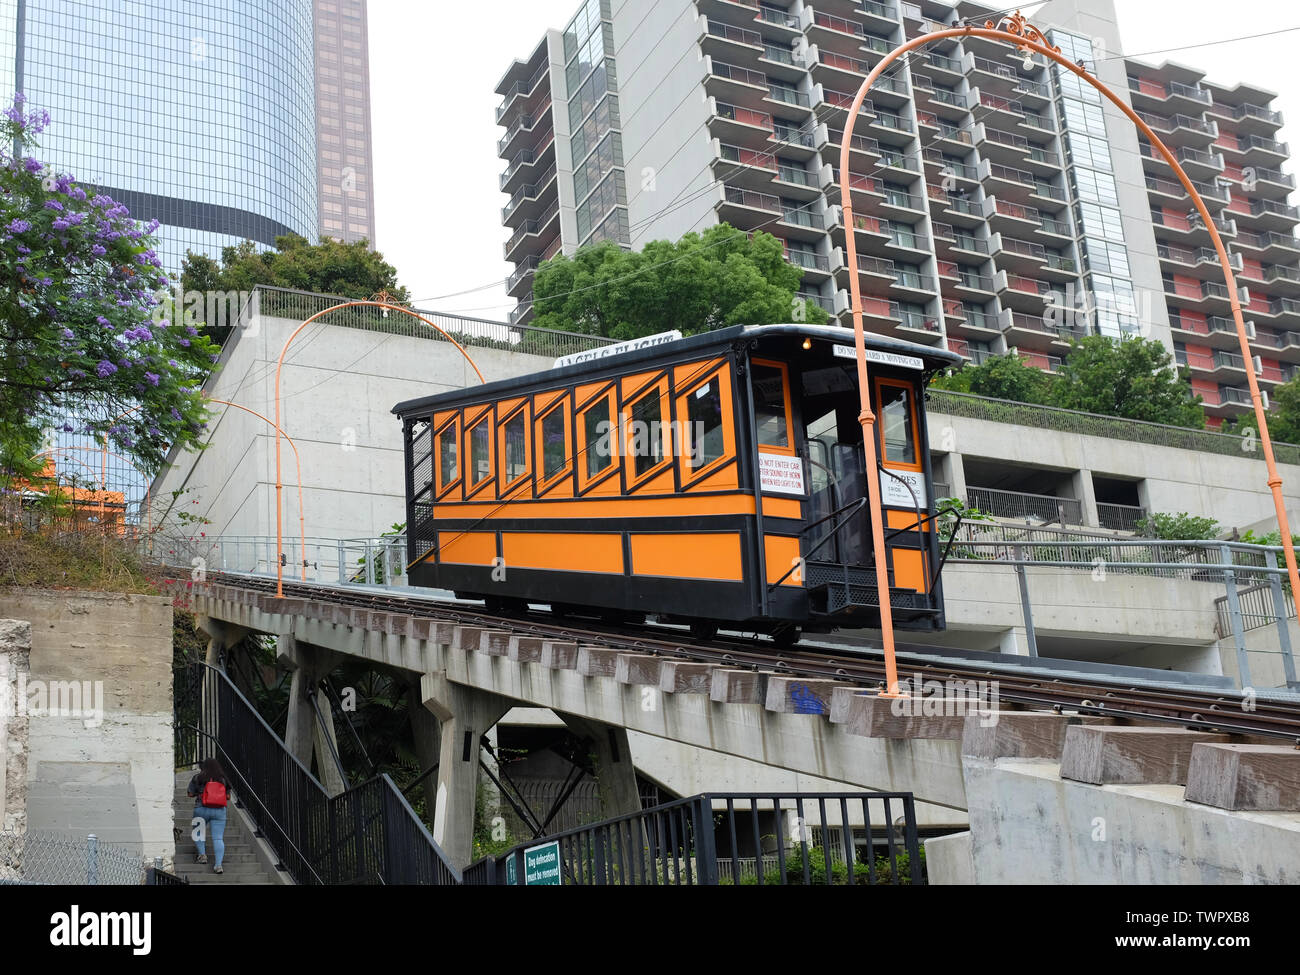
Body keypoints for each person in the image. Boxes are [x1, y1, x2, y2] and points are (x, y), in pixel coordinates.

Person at [187, 757, 232, 875]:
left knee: (198, 833)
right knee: (218, 838)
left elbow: (190, 793)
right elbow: (228, 797)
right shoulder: (223, 779)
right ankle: (218, 865)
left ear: (204, 767)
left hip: (201, 809)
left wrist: (200, 792)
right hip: (219, 811)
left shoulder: (198, 777)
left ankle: (202, 856)